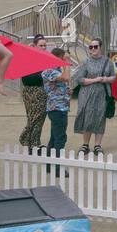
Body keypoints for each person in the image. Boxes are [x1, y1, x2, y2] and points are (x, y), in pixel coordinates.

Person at [72, 38, 116, 157]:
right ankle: (85, 144)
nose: (93, 49)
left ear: (100, 47)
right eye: (90, 47)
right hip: (87, 94)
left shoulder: (108, 62)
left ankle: (98, 145)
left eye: (95, 47)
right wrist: (95, 80)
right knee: (87, 117)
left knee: (100, 117)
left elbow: (114, 77)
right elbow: (79, 79)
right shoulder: (86, 62)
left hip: (102, 94)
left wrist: (106, 79)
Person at [42, 47, 72, 175]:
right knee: (60, 138)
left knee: (54, 137)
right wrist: (67, 63)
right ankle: (57, 168)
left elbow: (62, 83)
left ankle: (49, 165)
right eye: (63, 57)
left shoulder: (56, 70)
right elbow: (66, 77)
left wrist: (67, 91)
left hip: (61, 107)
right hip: (57, 109)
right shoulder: (50, 70)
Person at [18, 34, 50, 153]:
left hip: (40, 91)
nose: (43, 47)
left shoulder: (45, 58)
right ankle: (28, 140)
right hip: (31, 91)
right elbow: (27, 77)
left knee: (39, 118)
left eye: (45, 46)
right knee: (34, 118)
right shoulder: (29, 58)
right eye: (41, 45)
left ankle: (33, 142)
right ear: (35, 46)